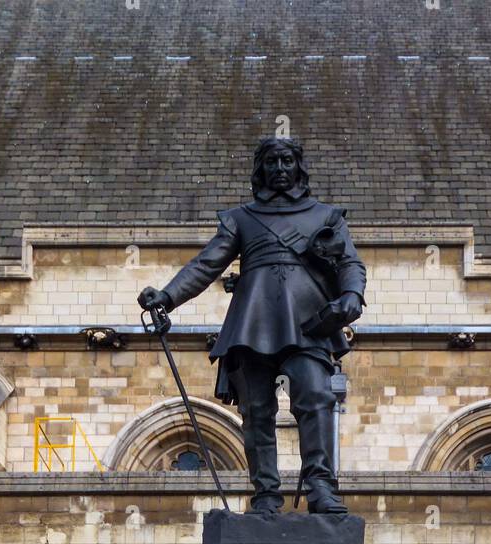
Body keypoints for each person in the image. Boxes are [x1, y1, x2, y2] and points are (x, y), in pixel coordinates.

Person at [138, 136, 366, 515]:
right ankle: (265, 496)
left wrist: (352, 295)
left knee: (315, 399)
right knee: (257, 410)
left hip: (308, 321)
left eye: (287, 162)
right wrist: (168, 295)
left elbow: (350, 264)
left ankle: (322, 489)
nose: (280, 169)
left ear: (298, 168)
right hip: (253, 320)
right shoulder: (242, 218)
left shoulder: (326, 216)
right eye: (272, 163)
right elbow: (206, 264)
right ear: (261, 170)